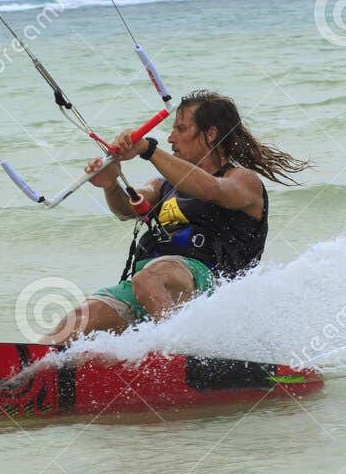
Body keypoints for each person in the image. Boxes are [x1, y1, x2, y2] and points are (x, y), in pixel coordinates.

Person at [46, 90, 308, 345]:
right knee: (72, 324)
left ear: (211, 134)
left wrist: (148, 149)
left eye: (180, 129)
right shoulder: (164, 186)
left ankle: (177, 352)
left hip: (212, 286)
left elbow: (210, 190)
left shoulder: (242, 180)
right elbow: (127, 209)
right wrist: (110, 184)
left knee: (149, 277)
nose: (171, 138)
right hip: (149, 289)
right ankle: (26, 376)